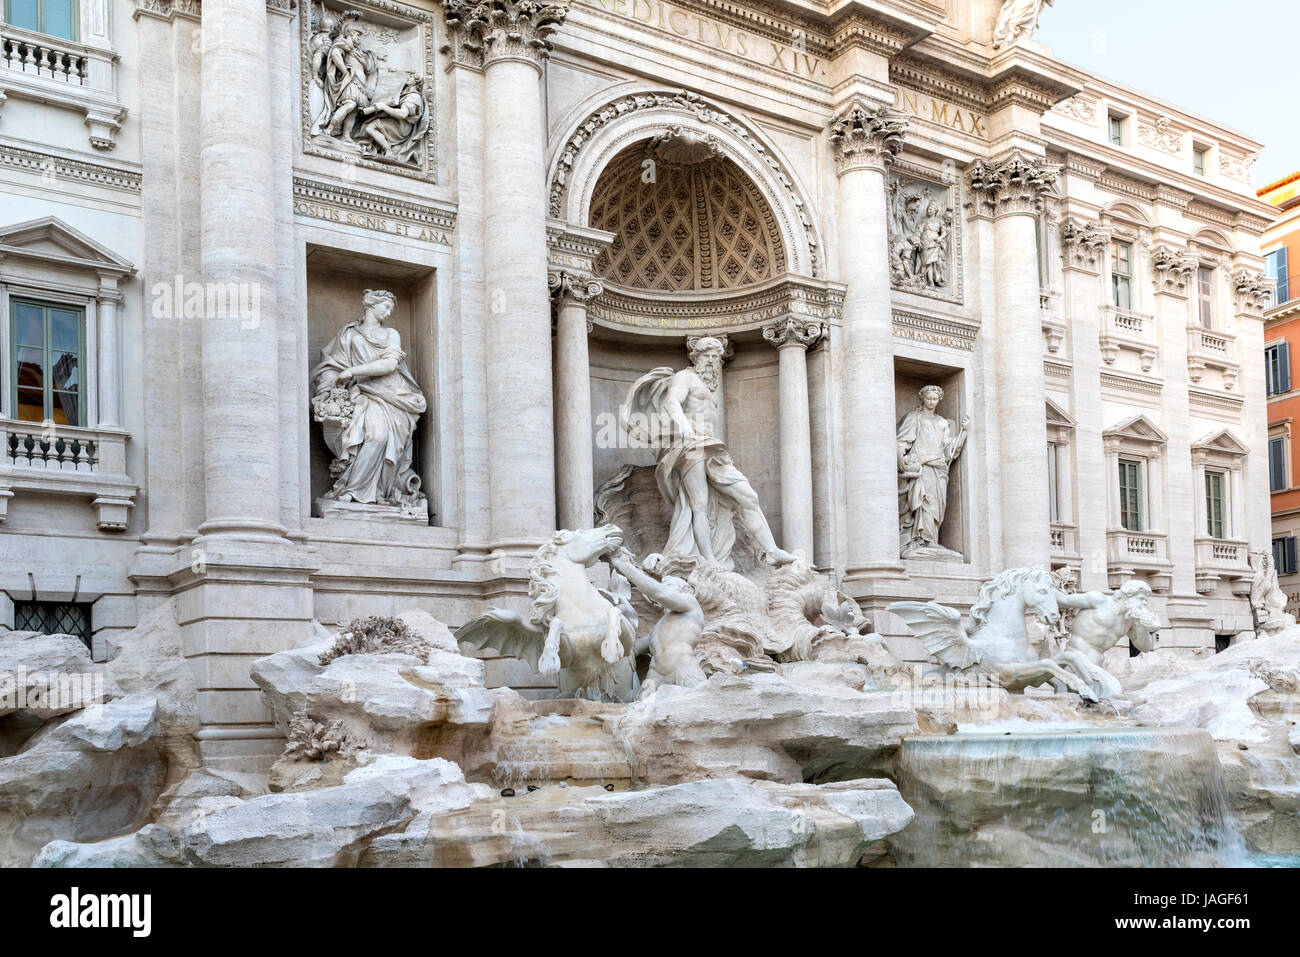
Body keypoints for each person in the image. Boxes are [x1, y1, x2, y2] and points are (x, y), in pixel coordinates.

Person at [621, 336, 798, 566]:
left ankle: (772, 550)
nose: (712, 361)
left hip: (712, 447)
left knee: (748, 496)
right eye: (708, 356)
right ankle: (709, 560)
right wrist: (683, 425)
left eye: (716, 357)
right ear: (696, 357)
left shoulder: (709, 385)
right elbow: (671, 402)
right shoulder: (685, 377)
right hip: (691, 446)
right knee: (699, 504)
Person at [311, 290, 427, 508]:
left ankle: (374, 491)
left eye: (391, 308)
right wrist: (331, 385)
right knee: (376, 436)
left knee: (381, 437)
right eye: (386, 306)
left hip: (393, 394)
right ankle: (354, 490)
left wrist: (352, 371)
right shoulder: (348, 334)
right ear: (371, 306)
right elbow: (332, 365)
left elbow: (390, 365)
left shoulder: (391, 334)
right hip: (363, 393)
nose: (389, 311)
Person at [897, 384, 967, 556]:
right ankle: (921, 539)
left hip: (939, 468)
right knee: (925, 502)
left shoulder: (943, 423)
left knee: (937, 505)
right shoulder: (914, 417)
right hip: (923, 465)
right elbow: (902, 441)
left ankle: (932, 539)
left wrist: (964, 432)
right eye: (929, 398)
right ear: (922, 398)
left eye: (935, 399)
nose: (932, 402)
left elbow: (949, 450)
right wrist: (901, 459)